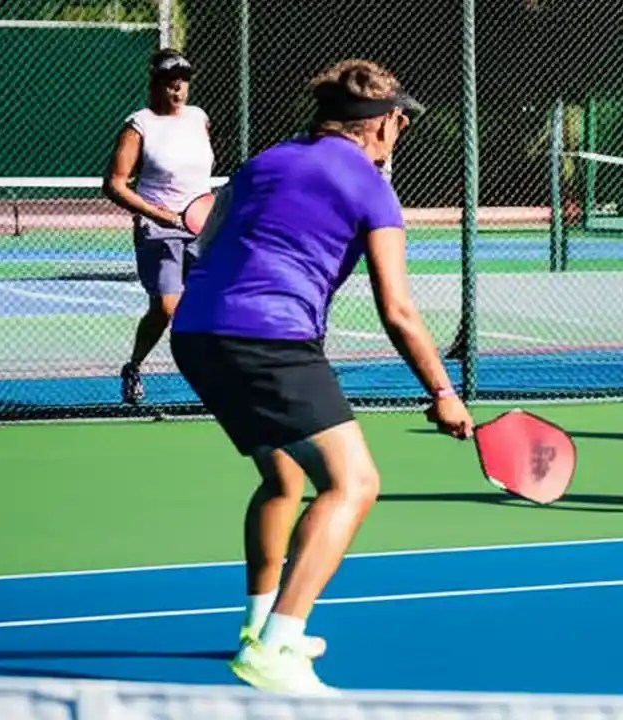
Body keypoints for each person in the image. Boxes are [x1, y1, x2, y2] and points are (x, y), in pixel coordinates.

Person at [170, 58, 474, 695]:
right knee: (354, 482)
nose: (401, 135)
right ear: (382, 125)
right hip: (269, 337)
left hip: (196, 333)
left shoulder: (262, 164)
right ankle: (278, 645)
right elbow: (398, 310)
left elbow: (208, 246)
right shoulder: (371, 186)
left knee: (282, 476)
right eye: (400, 124)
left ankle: (258, 624)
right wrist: (444, 393)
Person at [102, 49, 215, 406]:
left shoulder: (199, 118)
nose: (178, 89)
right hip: (159, 229)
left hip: (202, 225)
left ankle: (215, 375)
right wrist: (157, 213)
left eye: (183, 82)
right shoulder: (139, 125)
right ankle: (134, 366)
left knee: (209, 306)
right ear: (155, 83)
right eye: (170, 82)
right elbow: (115, 184)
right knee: (166, 306)